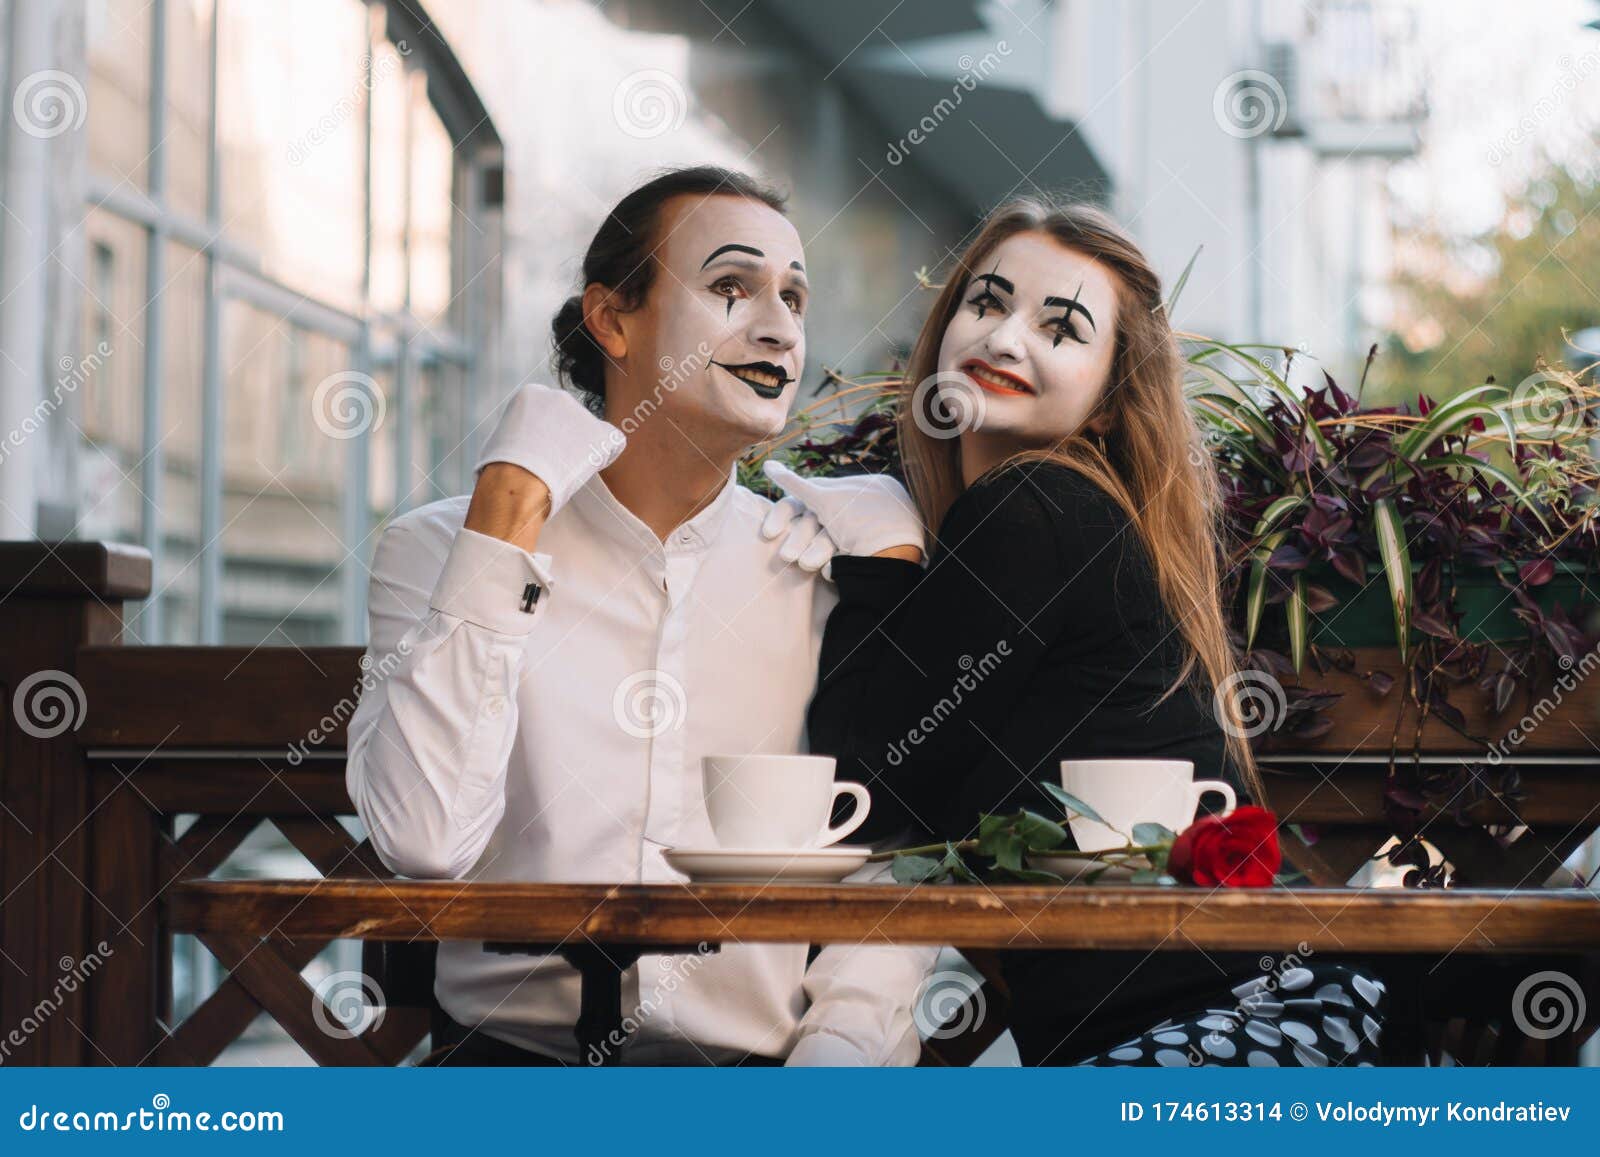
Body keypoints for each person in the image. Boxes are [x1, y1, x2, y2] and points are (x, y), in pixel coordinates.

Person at [768, 197, 1388, 1067]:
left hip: (1243, 1038)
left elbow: (868, 781)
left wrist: (884, 553)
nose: (1005, 337)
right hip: (1274, 1022)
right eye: (985, 303)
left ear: (1106, 400)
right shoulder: (1064, 516)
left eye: (1060, 327)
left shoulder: (1035, 505)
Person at [345, 166, 935, 1066]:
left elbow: (892, 852)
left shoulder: (821, 566)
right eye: (731, 288)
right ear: (613, 319)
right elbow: (423, 839)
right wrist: (506, 516)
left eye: (794, 297)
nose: (778, 327)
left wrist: (840, 1058)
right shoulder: (437, 553)